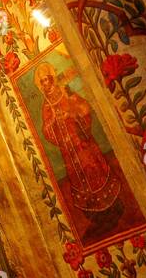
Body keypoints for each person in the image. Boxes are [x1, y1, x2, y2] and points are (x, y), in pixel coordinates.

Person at [36, 62, 119, 214]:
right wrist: (53, 119)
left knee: (91, 164)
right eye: (41, 82)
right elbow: (46, 130)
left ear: (51, 79)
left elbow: (83, 107)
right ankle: (89, 208)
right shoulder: (46, 105)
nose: (44, 84)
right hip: (67, 147)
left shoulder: (65, 91)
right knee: (76, 173)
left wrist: (71, 115)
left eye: (45, 80)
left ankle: (108, 199)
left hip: (79, 139)